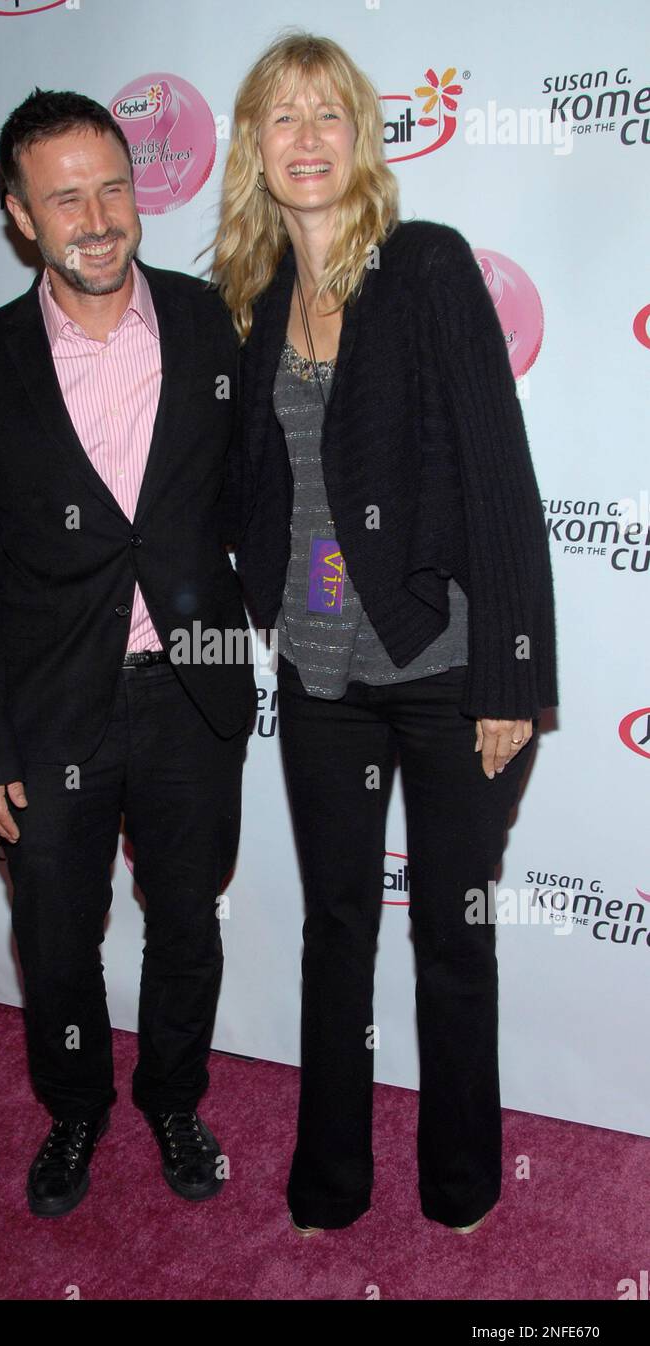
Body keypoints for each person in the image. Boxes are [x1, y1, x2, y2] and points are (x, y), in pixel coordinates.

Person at [213, 33, 558, 1235]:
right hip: (316, 675)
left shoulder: (420, 268)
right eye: (280, 118)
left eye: (328, 115)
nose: (305, 139)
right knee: (335, 934)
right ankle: (330, 1180)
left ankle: (462, 1180)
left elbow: (496, 471)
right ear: (253, 146)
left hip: (445, 665)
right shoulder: (253, 302)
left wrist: (514, 668)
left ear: (361, 136)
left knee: (454, 940)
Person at [0, 88, 256, 1218]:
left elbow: (259, 501)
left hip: (190, 694)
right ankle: (75, 1108)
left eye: (112, 185)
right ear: (21, 216)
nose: (97, 215)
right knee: (55, 935)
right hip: (47, 707)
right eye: (65, 197)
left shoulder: (213, 323)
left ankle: (172, 1094)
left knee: (185, 916)